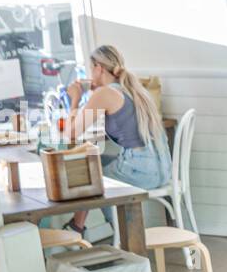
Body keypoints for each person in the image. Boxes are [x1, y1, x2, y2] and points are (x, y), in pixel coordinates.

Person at [65, 44, 171, 234]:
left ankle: (78, 229)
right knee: (93, 163)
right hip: (163, 170)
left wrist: (75, 99)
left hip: (142, 174)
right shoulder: (135, 90)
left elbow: (71, 133)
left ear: (98, 68)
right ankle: (81, 226)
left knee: (85, 171)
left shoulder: (105, 93)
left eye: (91, 68)